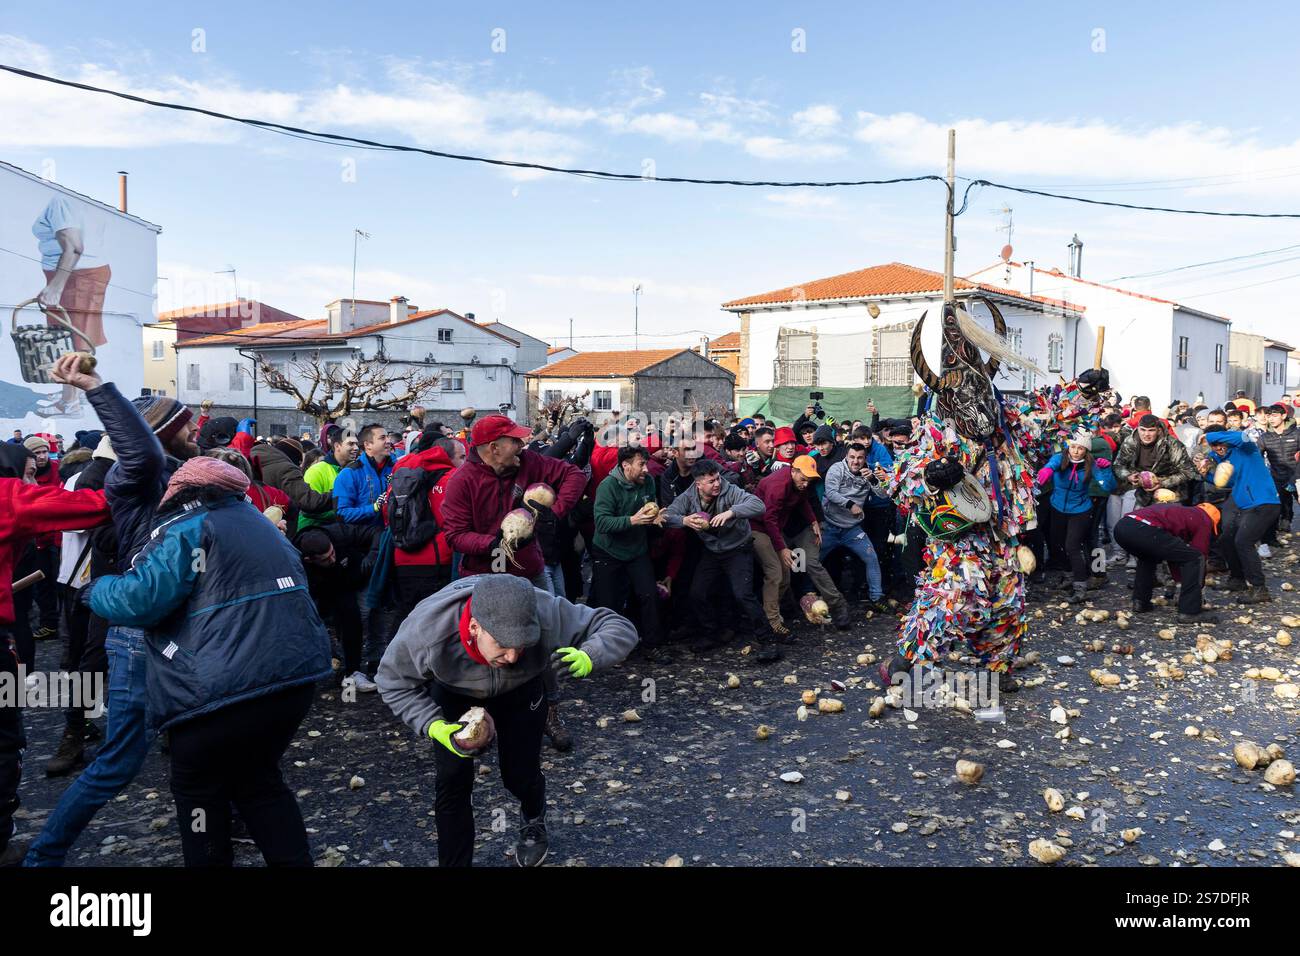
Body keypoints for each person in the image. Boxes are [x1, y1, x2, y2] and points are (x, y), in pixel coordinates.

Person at [83, 456, 332, 866]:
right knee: (260, 783)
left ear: (182, 492)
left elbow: (141, 599)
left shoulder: (188, 528)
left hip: (219, 689)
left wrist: (97, 590)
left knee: (198, 792)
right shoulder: (259, 524)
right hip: (292, 678)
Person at [25, 360, 200, 867]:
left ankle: (212, 831)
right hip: (138, 635)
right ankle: (44, 855)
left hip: (181, 631)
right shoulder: (134, 476)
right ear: (160, 432)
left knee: (204, 741)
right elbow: (141, 450)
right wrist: (98, 389)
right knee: (118, 762)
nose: (196, 432)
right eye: (185, 425)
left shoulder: (175, 475)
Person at [376, 574, 638, 867]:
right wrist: (432, 725)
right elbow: (391, 681)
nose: (512, 656)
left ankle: (534, 818)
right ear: (475, 627)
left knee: (520, 775)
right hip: (454, 692)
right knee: (452, 781)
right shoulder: (427, 630)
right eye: (503, 644)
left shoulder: (543, 610)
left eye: (522, 644)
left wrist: (590, 655)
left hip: (521, 689)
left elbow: (619, 626)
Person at [440, 415, 587, 749]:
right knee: (482, 644)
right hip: (483, 576)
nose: (522, 446)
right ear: (494, 448)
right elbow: (455, 535)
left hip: (529, 569)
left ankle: (550, 710)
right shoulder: (462, 482)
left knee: (545, 640)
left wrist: (555, 512)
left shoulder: (528, 462)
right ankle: (481, 716)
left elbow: (573, 474)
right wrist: (494, 543)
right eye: (515, 440)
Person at [0, 441, 111, 866]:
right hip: (80, 586)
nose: (33, 480)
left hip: (77, 587)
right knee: (79, 663)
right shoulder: (11, 495)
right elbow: (98, 506)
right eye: (28, 471)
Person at [752, 455, 849, 631]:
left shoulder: (801, 482)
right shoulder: (778, 486)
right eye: (803, 479)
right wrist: (782, 548)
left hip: (793, 528)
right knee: (778, 573)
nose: (806, 484)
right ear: (793, 471)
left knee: (807, 564)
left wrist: (813, 520)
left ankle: (837, 605)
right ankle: (771, 617)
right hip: (766, 529)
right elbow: (769, 519)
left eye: (809, 481)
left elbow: (802, 499)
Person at [590, 445, 663, 647]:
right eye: (641, 464)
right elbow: (602, 523)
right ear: (626, 465)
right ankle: (606, 645)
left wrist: (656, 517)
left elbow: (651, 506)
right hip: (608, 551)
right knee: (608, 602)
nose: (647, 469)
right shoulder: (608, 486)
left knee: (648, 594)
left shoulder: (647, 482)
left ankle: (652, 645)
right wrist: (632, 520)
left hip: (637, 549)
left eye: (646, 464)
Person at [1200, 428, 1281, 604]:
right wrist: (1207, 475)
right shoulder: (1227, 460)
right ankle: (1237, 579)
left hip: (1264, 502)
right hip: (1244, 504)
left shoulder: (1246, 448)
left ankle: (1260, 588)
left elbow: (1240, 436)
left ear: (1225, 438)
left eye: (1219, 442)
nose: (1217, 447)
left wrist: (1209, 436)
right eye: (1213, 446)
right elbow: (1228, 482)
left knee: (1243, 541)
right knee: (1226, 539)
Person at [1038, 432, 1116, 604]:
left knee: (1084, 542)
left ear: (1086, 450)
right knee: (1061, 543)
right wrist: (1047, 469)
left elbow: (1108, 485)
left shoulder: (1093, 460)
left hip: (1085, 507)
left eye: (1080, 448)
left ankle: (1091, 578)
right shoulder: (1062, 458)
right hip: (1061, 507)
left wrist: (1106, 470)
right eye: (1073, 447)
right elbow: (1053, 463)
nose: (1075, 451)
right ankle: (1073, 574)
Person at [1112, 502, 1221, 623]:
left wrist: (1180, 581)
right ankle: (1189, 612)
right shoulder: (1204, 519)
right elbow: (1200, 554)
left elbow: (1173, 555)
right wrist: (1197, 591)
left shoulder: (1181, 513)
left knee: (1147, 556)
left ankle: (1140, 601)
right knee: (1195, 558)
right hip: (1143, 528)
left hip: (1123, 527)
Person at [820, 443, 889, 613]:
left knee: (871, 558)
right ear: (846, 456)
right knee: (814, 560)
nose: (855, 461)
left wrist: (873, 480)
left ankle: (876, 597)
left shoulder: (868, 472)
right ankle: (808, 595)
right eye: (852, 457)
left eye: (859, 458)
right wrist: (850, 504)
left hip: (851, 529)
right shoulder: (837, 469)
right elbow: (830, 492)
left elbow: (884, 494)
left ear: (865, 458)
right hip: (829, 525)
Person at [1112, 413, 1198, 509]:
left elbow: (1189, 472)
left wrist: (1162, 482)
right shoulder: (1130, 442)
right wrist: (1128, 476)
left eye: (1151, 430)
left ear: (1159, 430)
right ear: (1138, 428)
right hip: (1141, 494)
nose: (1146, 434)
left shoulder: (1172, 445)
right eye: (1143, 430)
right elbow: (1118, 465)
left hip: (1170, 494)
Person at [300, 425, 360, 531]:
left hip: (343, 533)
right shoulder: (316, 471)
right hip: (313, 535)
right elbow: (309, 508)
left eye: (357, 444)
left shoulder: (355, 471)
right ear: (337, 446)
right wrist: (347, 513)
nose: (356, 448)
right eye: (351, 444)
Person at [333, 423, 393, 526]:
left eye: (388, 437)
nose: (388, 441)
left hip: (393, 536)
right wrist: (374, 508)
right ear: (368, 445)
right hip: (364, 538)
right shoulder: (349, 473)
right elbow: (342, 514)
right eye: (382, 438)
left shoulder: (397, 468)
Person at [1258, 404, 1300, 539]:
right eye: (1269, 416)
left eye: (1275, 416)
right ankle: (1278, 530)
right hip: (1276, 476)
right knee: (1279, 504)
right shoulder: (1265, 437)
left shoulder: (1297, 433)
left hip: (1297, 476)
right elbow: (1257, 457)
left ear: (1283, 416)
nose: (1271, 419)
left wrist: (1296, 477)